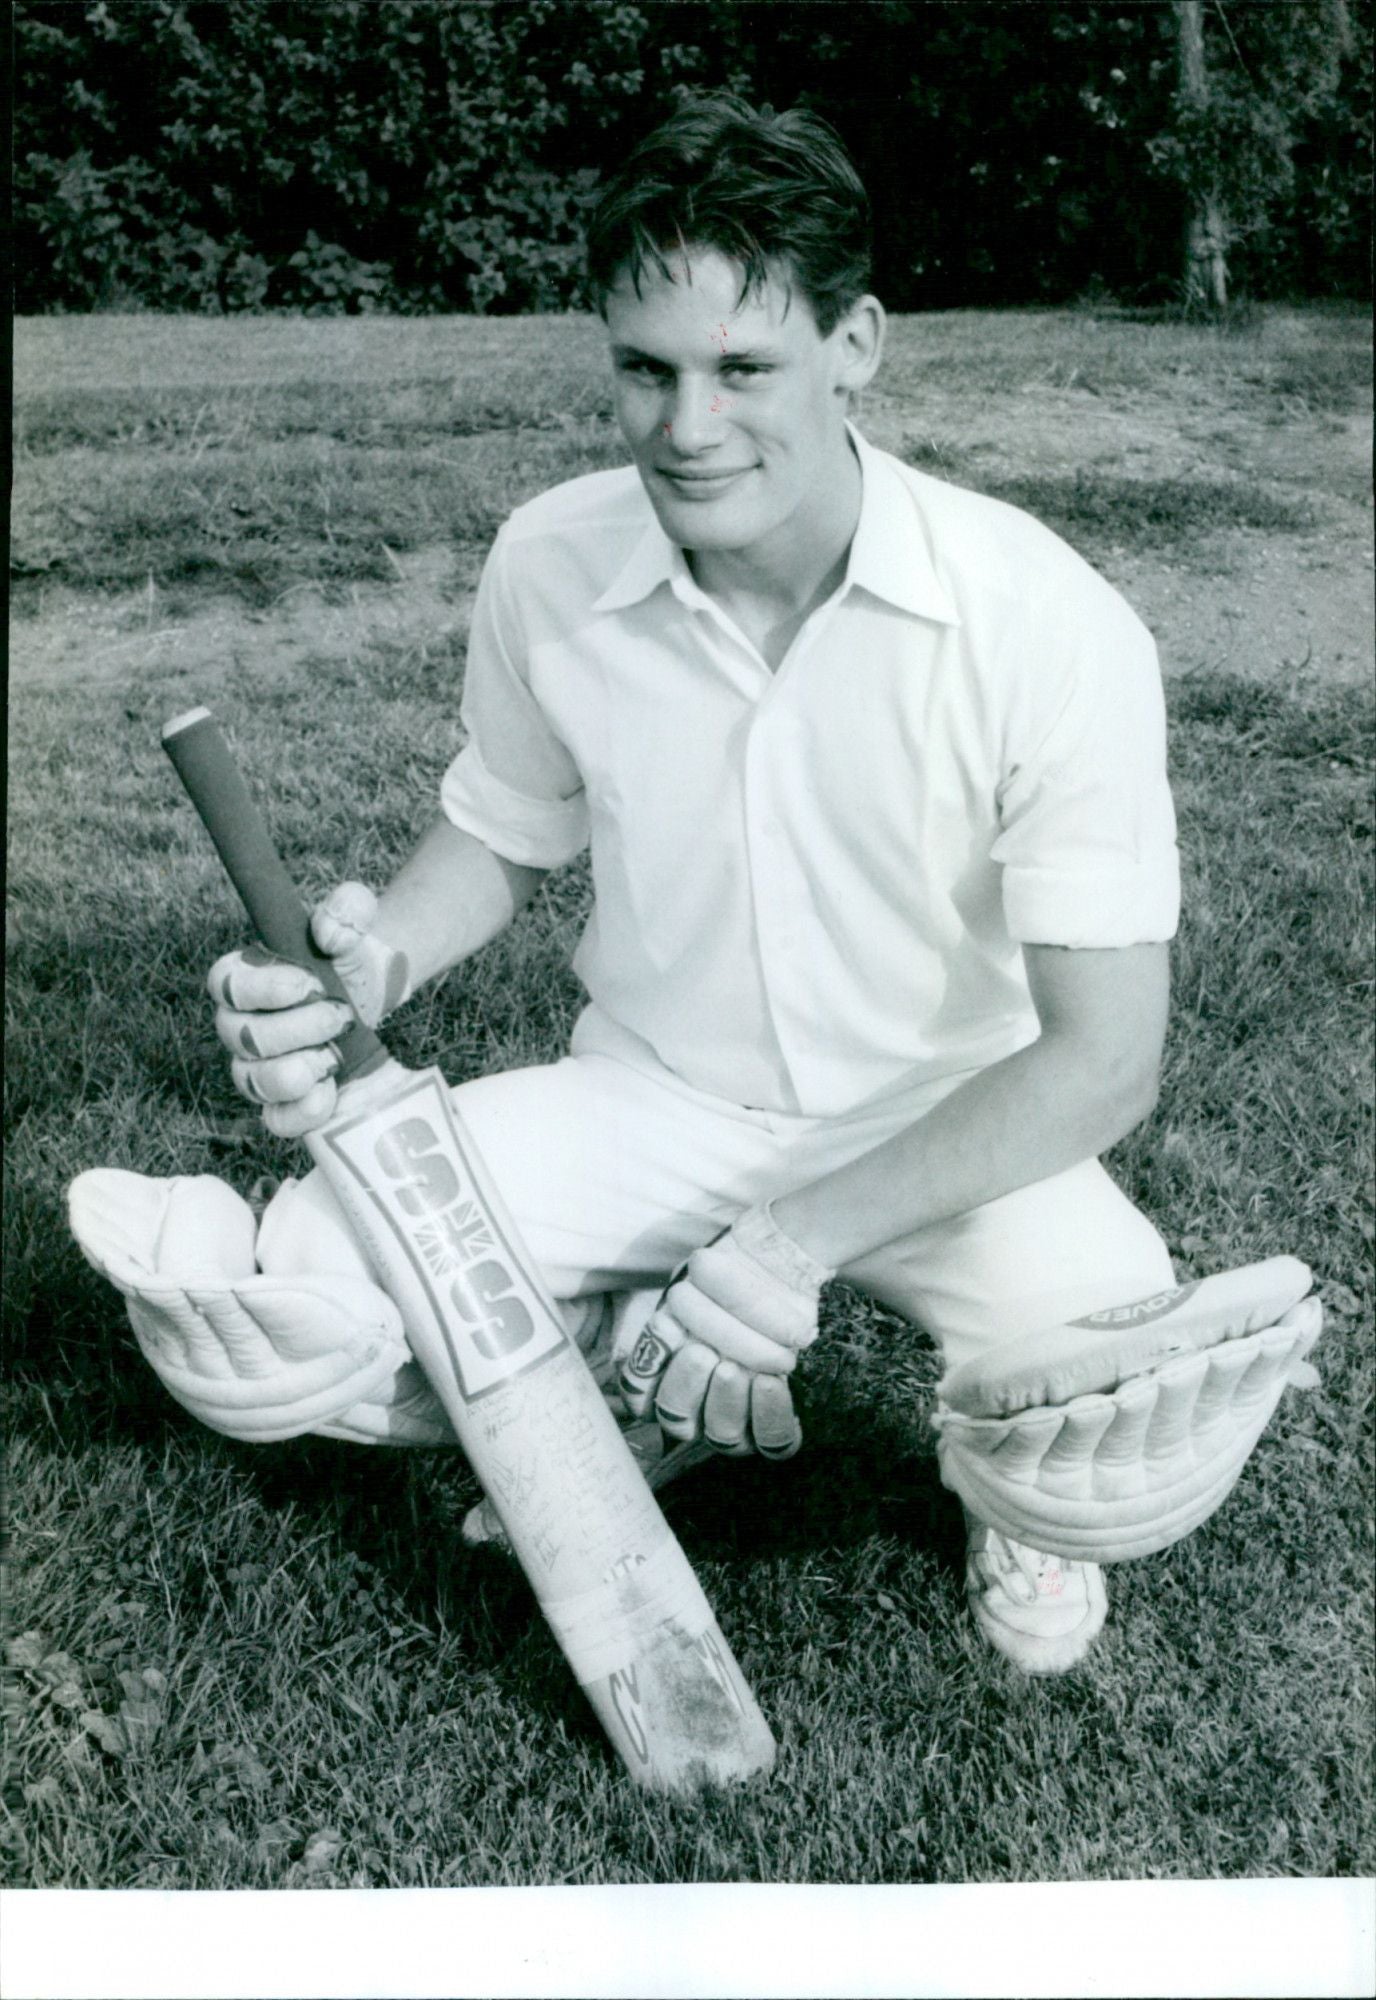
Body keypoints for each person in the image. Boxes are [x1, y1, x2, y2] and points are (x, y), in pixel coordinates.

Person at [202, 95, 1187, 1676]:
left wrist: (789, 1250)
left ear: (856, 344)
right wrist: (374, 959)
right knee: (314, 1275)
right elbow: (504, 833)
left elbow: (1104, 1056)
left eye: (744, 369)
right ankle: (637, 1358)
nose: (686, 427)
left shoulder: (1043, 619)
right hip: (657, 1099)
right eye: (645, 371)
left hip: (940, 1126)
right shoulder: (550, 559)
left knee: (1114, 1367)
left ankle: (1003, 1487)